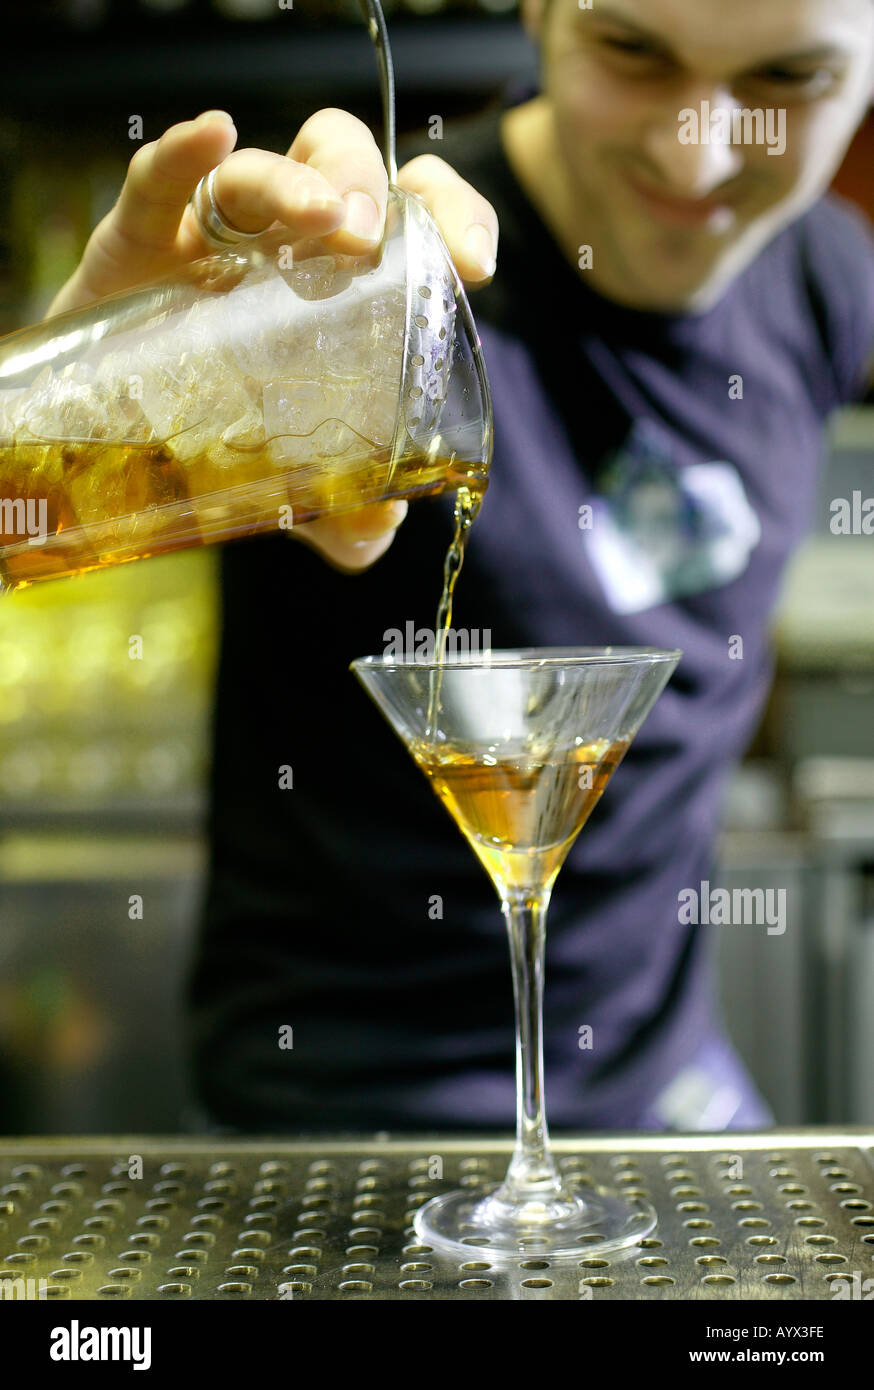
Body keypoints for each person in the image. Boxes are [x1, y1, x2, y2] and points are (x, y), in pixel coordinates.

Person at [49, 0, 874, 1134]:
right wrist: (88, 408)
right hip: (333, 1095)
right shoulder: (354, 288)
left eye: (787, 80)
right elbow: (83, 474)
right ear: (537, 12)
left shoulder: (828, 275)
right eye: (633, 51)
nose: (699, 149)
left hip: (661, 1075)